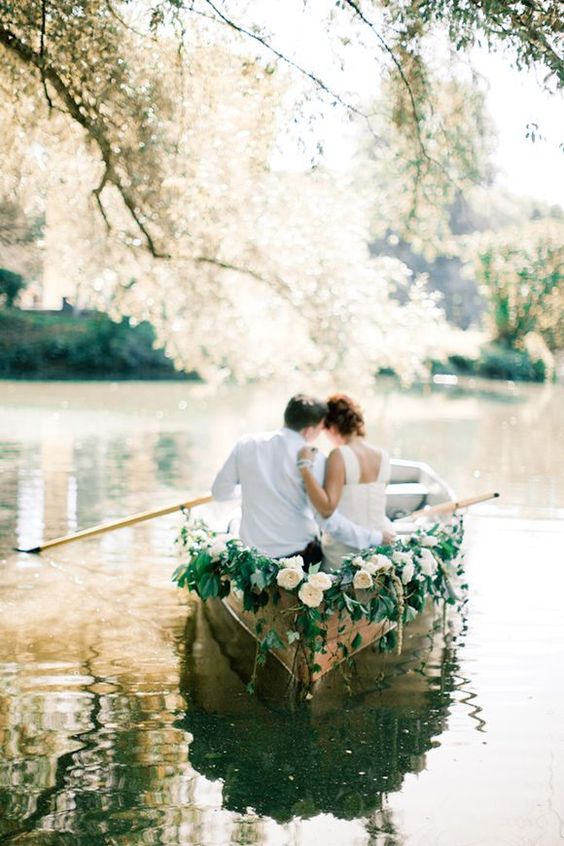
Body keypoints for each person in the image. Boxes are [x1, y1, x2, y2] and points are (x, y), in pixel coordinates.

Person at [211, 393, 393, 568]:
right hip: (300, 558)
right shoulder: (315, 458)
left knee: (235, 523)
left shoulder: (246, 444)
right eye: (321, 428)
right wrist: (374, 538)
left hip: (252, 555)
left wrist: (254, 489)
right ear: (309, 430)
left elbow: (220, 493)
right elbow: (327, 518)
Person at [298, 393, 394, 570]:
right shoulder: (383, 456)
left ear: (332, 428)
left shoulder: (339, 455)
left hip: (345, 551)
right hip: (381, 547)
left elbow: (327, 508)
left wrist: (304, 468)